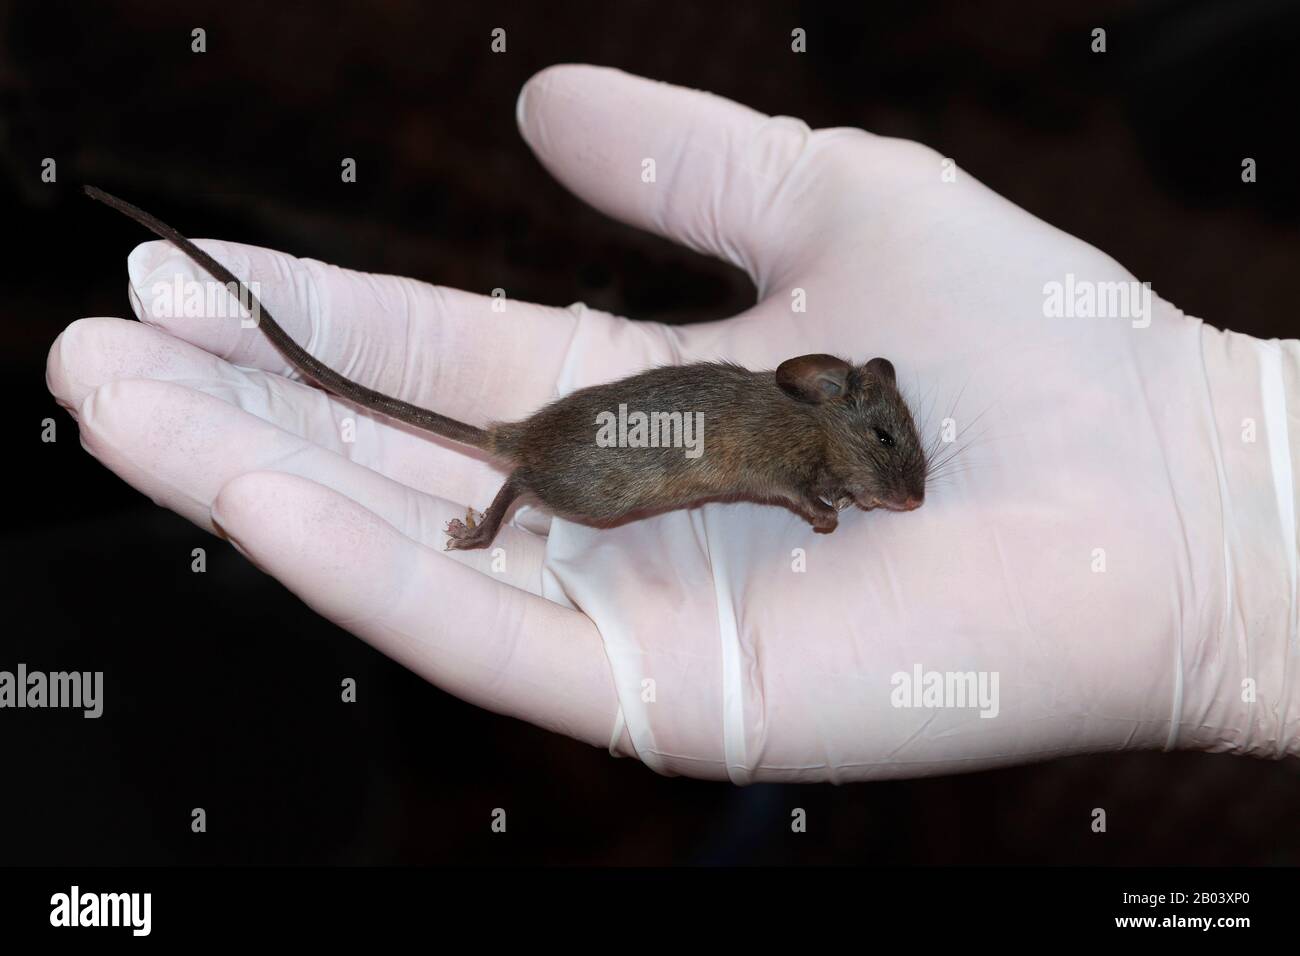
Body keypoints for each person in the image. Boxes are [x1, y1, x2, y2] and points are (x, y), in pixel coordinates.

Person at [46, 65, 1299, 783]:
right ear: (838, 422)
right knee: (569, 484)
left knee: (536, 459)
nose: (892, 483)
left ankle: (501, 497)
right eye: (883, 465)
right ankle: (505, 498)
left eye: (894, 463)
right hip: (602, 462)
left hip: (594, 429)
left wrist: (1241, 547)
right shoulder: (796, 445)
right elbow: (768, 474)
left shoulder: (816, 411)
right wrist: (812, 503)